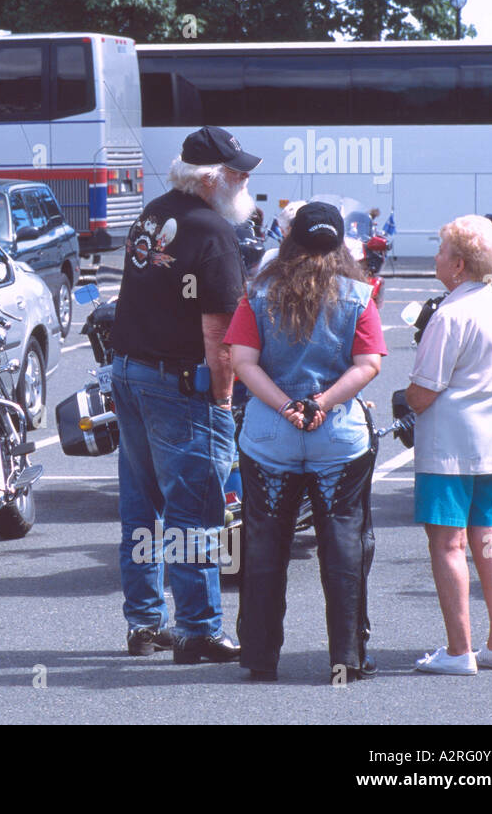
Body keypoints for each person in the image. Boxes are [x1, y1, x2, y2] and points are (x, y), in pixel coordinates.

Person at [108, 125, 257, 663]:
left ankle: (146, 624)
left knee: (139, 506)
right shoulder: (213, 232)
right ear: (212, 178)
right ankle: (197, 630)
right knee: (194, 508)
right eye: (239, 173)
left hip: (129, 371)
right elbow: (219, 334)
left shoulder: (153, 213)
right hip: (178, 382)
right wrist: (222, 398)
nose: (246, 181)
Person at [226, 202, 385, 683]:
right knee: (344, 544)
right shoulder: (360, 294)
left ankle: (258, 656)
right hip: (336, 436)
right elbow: (368, 363)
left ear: (290, 239)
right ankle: (347, 656)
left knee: (262, 546)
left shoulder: (258, 293)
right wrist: (321, 403)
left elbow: (243, 361)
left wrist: (286, 406)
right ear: (339, 243)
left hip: (269, 436)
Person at [405, 215, 492, 675]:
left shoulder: (450, 314)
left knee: (449, 544)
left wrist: (405, 401)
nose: (435, 258)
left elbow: (423, 391)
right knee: (491, 540)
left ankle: (458, 651)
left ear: (457, 264)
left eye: (439, 251)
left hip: (449, 446)